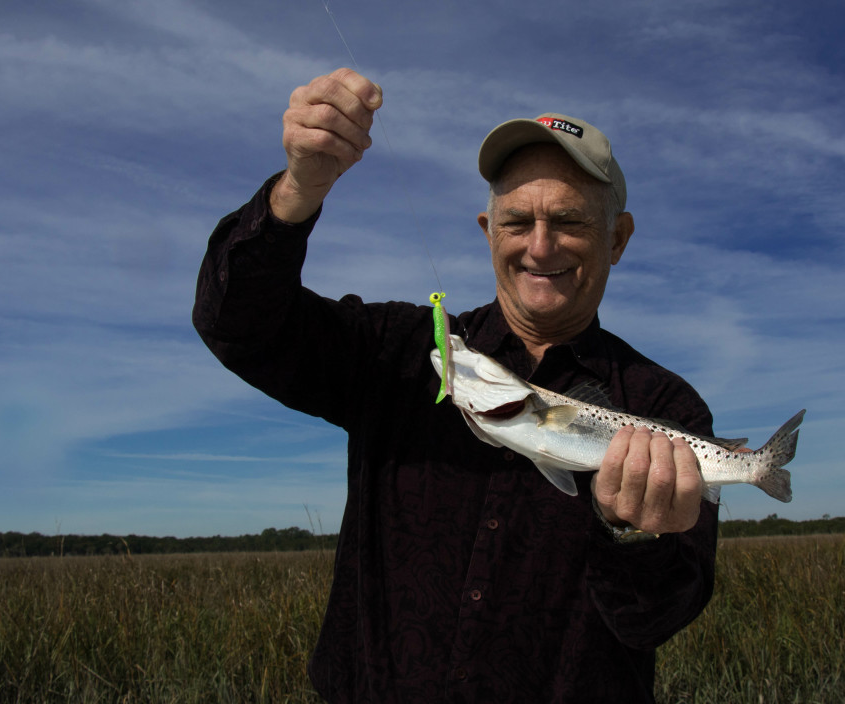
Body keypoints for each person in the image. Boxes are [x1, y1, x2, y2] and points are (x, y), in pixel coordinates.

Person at [193, 68, 719, 703]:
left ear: (618, 239)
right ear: (487, 231)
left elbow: (655, 620)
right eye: (518, 220)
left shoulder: (667, 410)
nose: (540, 244)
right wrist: (298, 190)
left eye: (571, 221)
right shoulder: (399, 352)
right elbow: (236, 324)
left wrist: (633, 534)